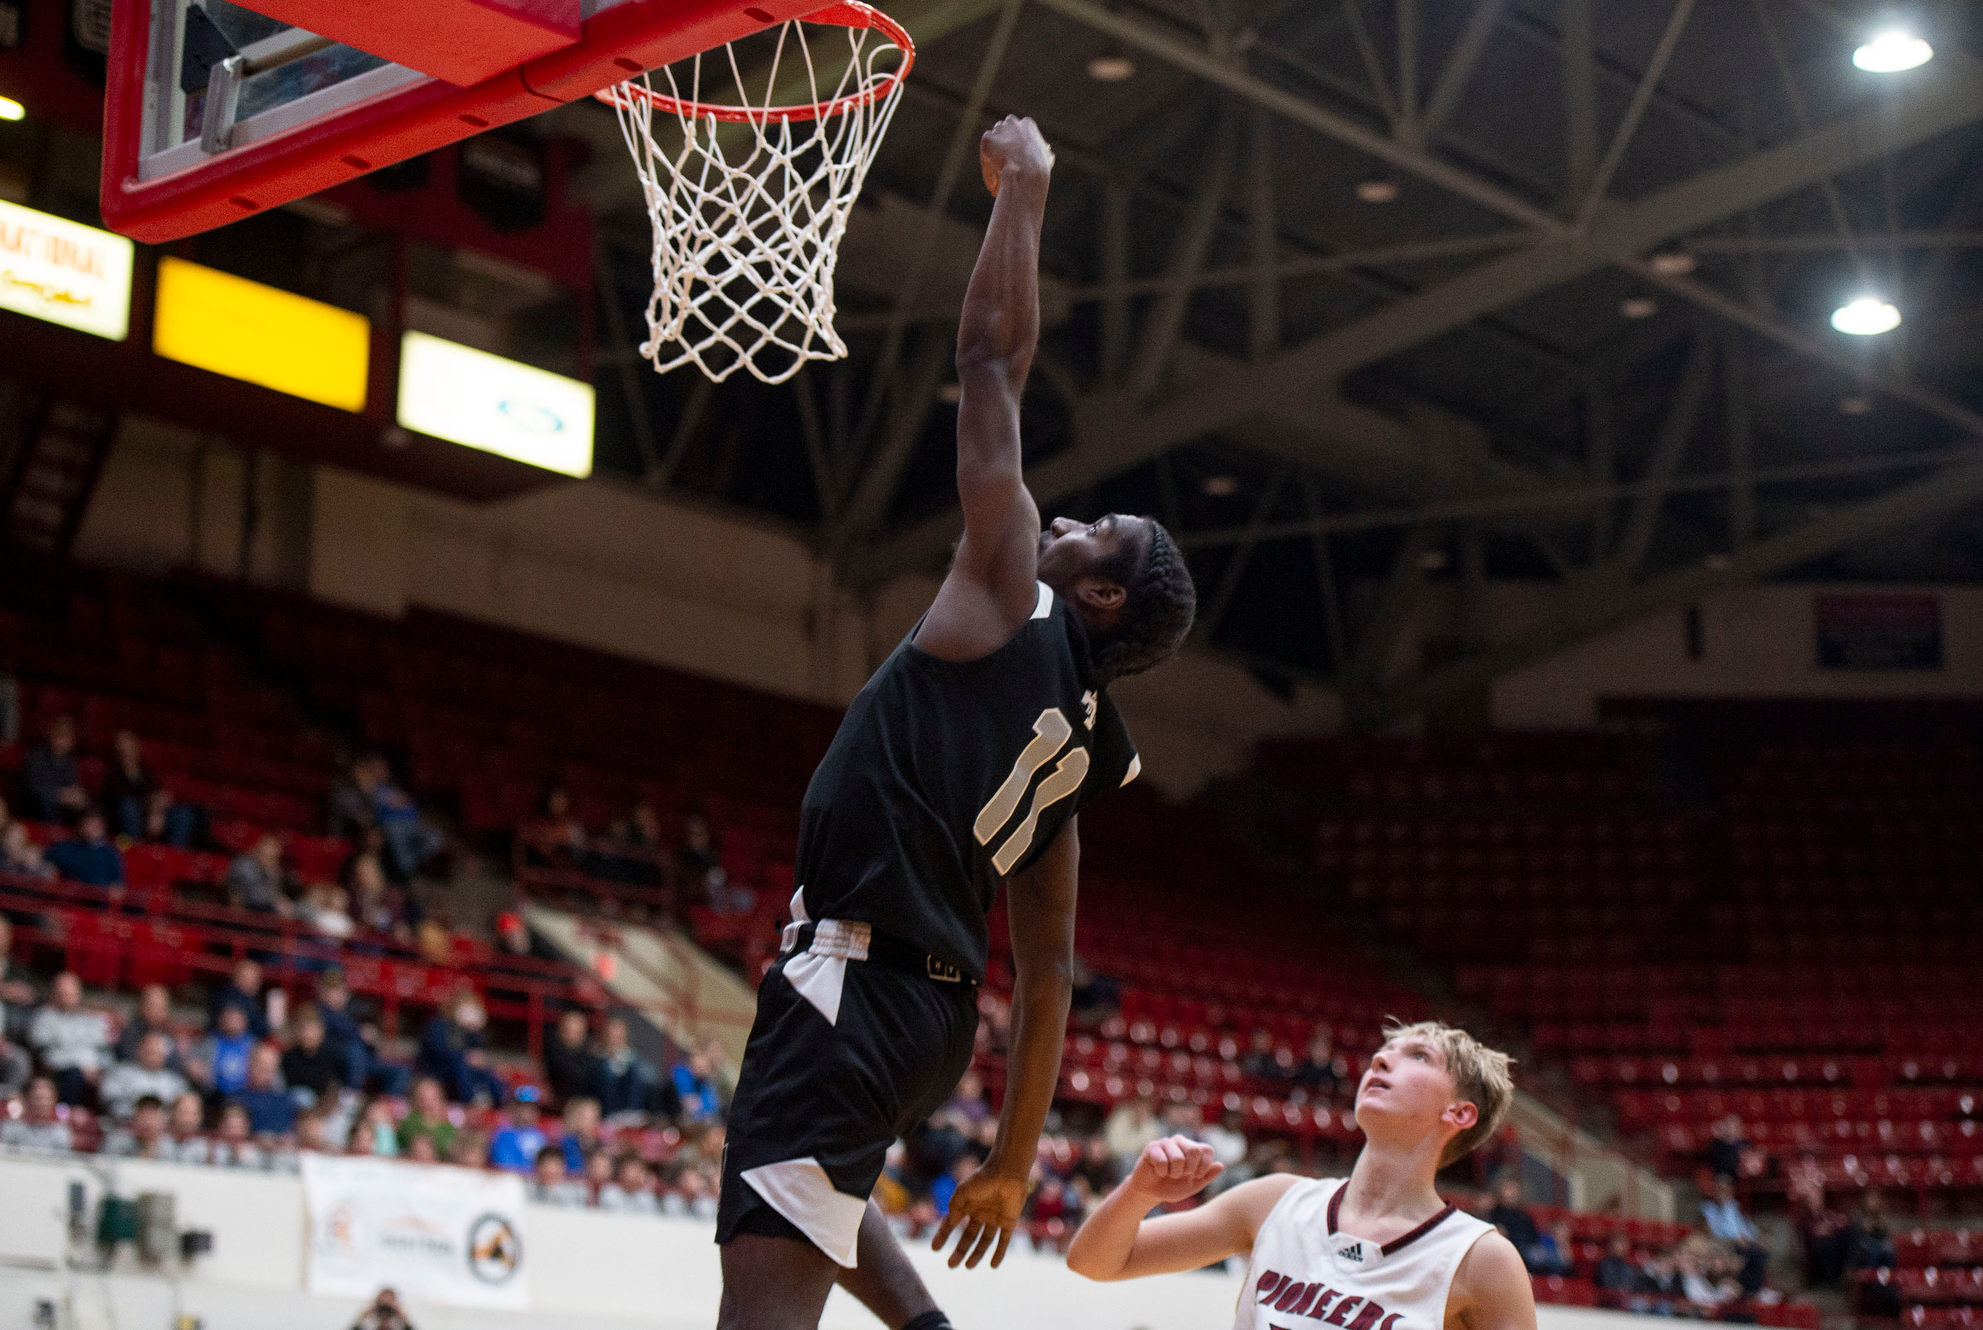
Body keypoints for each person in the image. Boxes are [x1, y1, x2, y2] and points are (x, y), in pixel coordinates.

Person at [715, 120, 1194, 1330]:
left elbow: (988, 361)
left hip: (855, 981)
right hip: (927, 1023)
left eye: (1096, 534)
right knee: (806, 1183)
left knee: (762, 1289)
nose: (1067, 520)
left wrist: (1024, 188)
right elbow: (1048, 975)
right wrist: (1011, 1160)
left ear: (1100, 594)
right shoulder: (1080, 752)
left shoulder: (1005, 592)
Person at [1065, 1022, 1533, 1330]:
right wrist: (1139, 1193)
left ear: (1459, 1113)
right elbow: (1095, 1262)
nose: (1380, 1060)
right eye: (1383, 1052)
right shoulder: (1275, 1201)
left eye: (1419, 1057)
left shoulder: (1480, 1259)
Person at [28, 971, 111, 1107]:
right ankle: (68, 1113)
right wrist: (81, 1067)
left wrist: (100, 1068)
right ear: (54, 994)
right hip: (63, 1072)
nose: (66, 997)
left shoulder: (93, 1019)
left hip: (94, 1070)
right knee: (73, 1075)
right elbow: (44, 1054)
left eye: (70, 993)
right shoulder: (43, 1018)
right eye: (62, 993)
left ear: (79, 993)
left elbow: (104, 1051)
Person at [1699, 1174, 1768, 1295]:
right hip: (1723, 1243)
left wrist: (1754, 1238)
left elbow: (1748, 1228)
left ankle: (1753, 1291)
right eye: (1720, 1189)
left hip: (1743, 1243)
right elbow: (1710, 1230)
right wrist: (1736, 1239)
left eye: (1726, 1189)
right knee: (1747, 1255)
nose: (1723, 1193)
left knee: (1759, 1252)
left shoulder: (1736, 1206)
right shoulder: (1709, 1208)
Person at [101, 1032, 190, 1116]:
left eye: (157, 1054)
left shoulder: (174, 1081)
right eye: (149, 1052)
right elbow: (108, 1099)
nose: (153, 1058)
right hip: (125, 1122)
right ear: (138, 1050)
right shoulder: (119, 1073)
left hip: (164, 1125)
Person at [23, 715, 87, 824]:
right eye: (60, 736)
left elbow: (71, 784)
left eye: (68, 737)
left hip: (61, 802)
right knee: (47, 803)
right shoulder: (37, 756)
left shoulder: (69, 761)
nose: (63, 741)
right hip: (38, 802)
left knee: (84, 802)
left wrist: (76, 795)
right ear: (52, 736)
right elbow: (34, 787)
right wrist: (59, 795)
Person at [231, 1042, 298, 1141]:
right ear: (250, 1064)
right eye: (261, 1064)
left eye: (271, 1066)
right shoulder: (235, 1099)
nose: (266, 1070)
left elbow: (290, 1134)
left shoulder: (285, 1102)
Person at [282, 1008, 347, 1105]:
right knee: (303, 1096)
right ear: (298, 1032)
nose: (309, 1035)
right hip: (300, 1103)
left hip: (325, 1102)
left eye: (313, 1030)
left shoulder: (329, 1056)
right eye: (305, 1030)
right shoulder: (289, 1057)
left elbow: (333, 1082)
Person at [43, 810, 124, 888]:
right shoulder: (67, 848)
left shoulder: (110, 854)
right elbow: (44, 860)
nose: (93, 829)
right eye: (89, 824)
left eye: (97, 825)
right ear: (81, 827)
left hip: (101, 895)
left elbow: (117, 884)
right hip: (72, 894)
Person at [0, 1075, 73, 1153]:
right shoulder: (11, 1128)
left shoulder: (61, 1132)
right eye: (38, 1098)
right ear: (26, 1100)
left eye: (47, 1099)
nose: (43, 1103)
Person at [224, 834, 295, 914]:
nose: (272, 853)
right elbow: (252, 894)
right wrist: (276, 901)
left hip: (262, 908)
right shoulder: (245, 864)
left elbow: (276, 891)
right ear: (259, 848)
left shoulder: (275, 869)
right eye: (269, 847)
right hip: (243, 907)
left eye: (276, 849)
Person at [544, 1009, 600, 1103]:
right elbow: (574, 1075)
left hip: (590, 1100)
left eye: (579, 1031)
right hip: (567, 1099)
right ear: (561, 1029)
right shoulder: (552, 1050)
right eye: (569, 1030)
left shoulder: (590, 1050)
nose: (574, 1035)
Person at [489, 1085, 550, 1172]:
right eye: (522, 1108)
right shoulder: (503, 1135)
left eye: (531, 1109)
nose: (526, 1114)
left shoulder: (540, 1136)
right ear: (513, 1109)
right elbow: (504, 1164)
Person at [114, 984, 179, 1065]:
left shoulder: (170, 1033)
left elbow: (175, 1064)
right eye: (153, 1006)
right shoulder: (129, 1033)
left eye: (161, 1008)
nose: (157, 1012)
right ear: (141, 1007)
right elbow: (128, 1060)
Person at [103, 1095, 173, 1159]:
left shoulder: (170, 1147)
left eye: (153, 1115)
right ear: (134, 1117)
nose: (148, 1121)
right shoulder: (117, 1142)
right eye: (144, 1114)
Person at [350, 1287, 415, 1330]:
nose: (386, 1301)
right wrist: (361, 1318)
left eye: (390, 1299)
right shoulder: (368, 1322)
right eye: (383, 1299)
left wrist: (405, 1320)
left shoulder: (399, 1323)